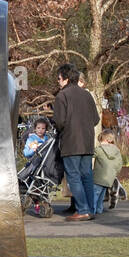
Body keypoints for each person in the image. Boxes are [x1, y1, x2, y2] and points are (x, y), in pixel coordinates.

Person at [52, 63, 100, 221]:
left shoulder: (62, 96)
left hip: (71, 143)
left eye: (59, 78)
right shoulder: (86, 95)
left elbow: (59, 122)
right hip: (87, 142)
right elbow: (95, 119)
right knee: (86, 175)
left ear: (65, 79)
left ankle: (82, 209)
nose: (58, 82)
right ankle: (90, 209)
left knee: (73, 176)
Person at [92, 128, 123, 214]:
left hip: (98, 177)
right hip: (109, 178)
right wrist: (115, 172)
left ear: (103, 139)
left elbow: (91, 158)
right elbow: (119, 163)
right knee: (101, 195)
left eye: (100, 140)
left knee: (95, 194)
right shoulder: (116, 150)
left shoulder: (98, 149)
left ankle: (92, 211)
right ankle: (99, 209)